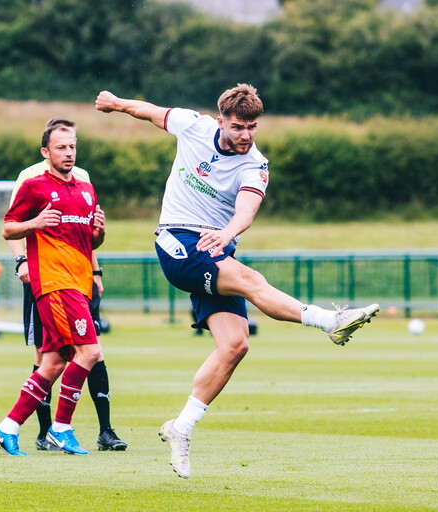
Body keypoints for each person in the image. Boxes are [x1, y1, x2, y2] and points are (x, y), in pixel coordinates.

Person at [96, 84, 380, 478]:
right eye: (238, 126)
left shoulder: (255, 165)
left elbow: (246, 212)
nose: (246, 134)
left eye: (252, 127)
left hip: (216, 245)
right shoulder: (192, 126)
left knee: (234, 345)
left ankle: (181, 427)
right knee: (249, 279)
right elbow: (150, 111)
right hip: (178, 240)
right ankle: (330, 322)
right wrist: (116, 103)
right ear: (220, 121)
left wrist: (227, 234)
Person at [6, 119, 127, 452]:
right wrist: (22, 263)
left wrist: (97, 261)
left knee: (61, 359)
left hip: (80, 279)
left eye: (72, 145)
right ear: (46, 149)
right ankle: (54, 430)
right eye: (61, 146)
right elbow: (12, 225)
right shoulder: (31, 180)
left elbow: (85, 237)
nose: (68, 151)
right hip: (49, 279)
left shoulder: (84, 182)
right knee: (81, 352)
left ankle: (12, 427)